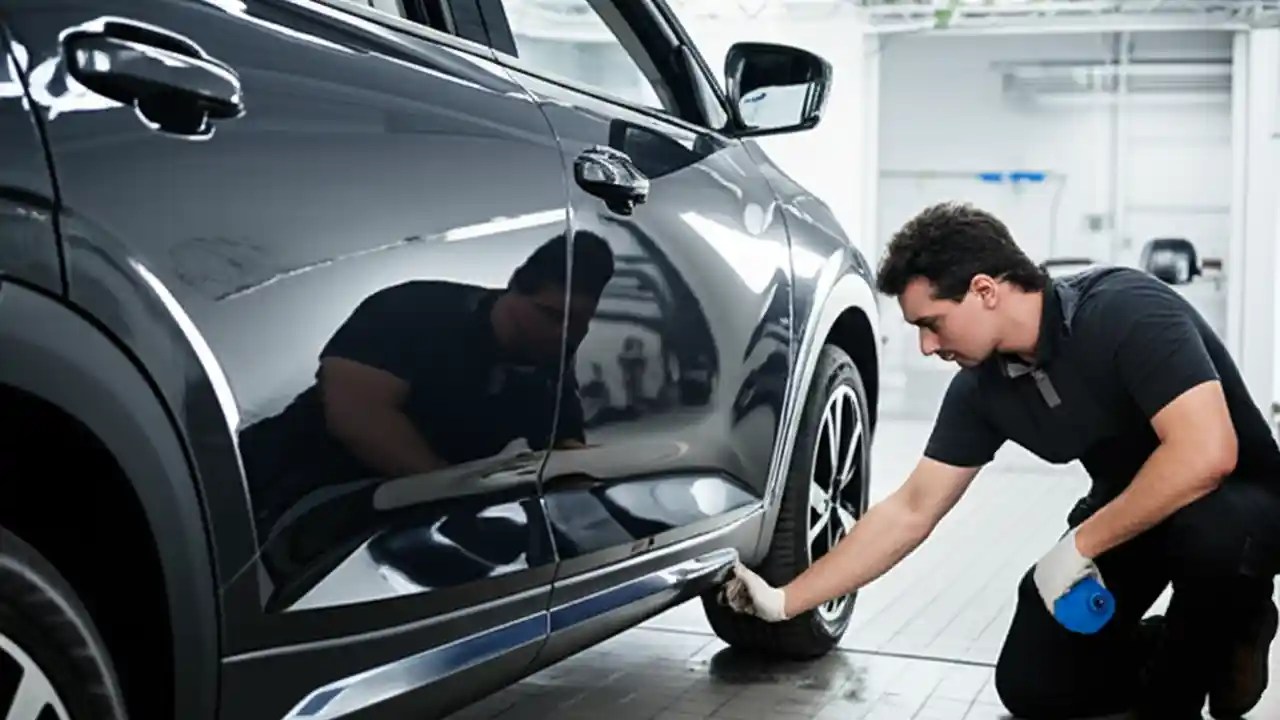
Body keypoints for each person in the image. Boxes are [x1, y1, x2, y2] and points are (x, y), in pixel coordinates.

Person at [720, 202, 1280, 719]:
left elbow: (1207, 454)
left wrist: (1080, 545)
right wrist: (785, 599)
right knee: (1033, 683)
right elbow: (911, 509)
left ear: (985, 290)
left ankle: (1235, 624)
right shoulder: (982, 388)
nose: (926, 346)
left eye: (931, 323)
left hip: (1238, 508)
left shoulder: (1125, 312)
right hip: (1134, 511)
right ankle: (1185, 643)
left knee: (1208, 544)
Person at [238, 230, 616, 538]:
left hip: (379, 524)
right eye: (550, 314)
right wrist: (452, 501)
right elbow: (357, 416)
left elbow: (564, 445)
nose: (563, 332)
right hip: (264, 499)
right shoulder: (416, 310)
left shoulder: (547, 356)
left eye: (578, 321)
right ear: (515, 287)